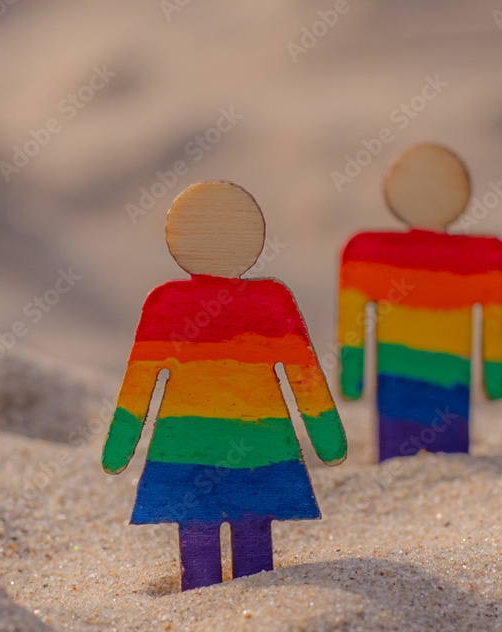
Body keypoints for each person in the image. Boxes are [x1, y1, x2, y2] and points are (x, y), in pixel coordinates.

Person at [103, 180, 346, 590]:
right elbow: (305, 379)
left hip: (186, 451)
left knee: (204, 523)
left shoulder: (168, 304)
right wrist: (327, 439)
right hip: (259, 447)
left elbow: (137, 387)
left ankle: (213, 597)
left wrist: (118, 446)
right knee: (247, 523)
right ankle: (239, 597)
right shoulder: (269, 302)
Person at [337, 143, 502, 460]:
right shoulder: (484, 257)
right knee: (432, 441)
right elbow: (495, 331)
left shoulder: (366, 252)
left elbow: (352, 326)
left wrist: (352, 377)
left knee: (406, 445)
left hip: (409, 385)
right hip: (432, 386)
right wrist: (494, 378)